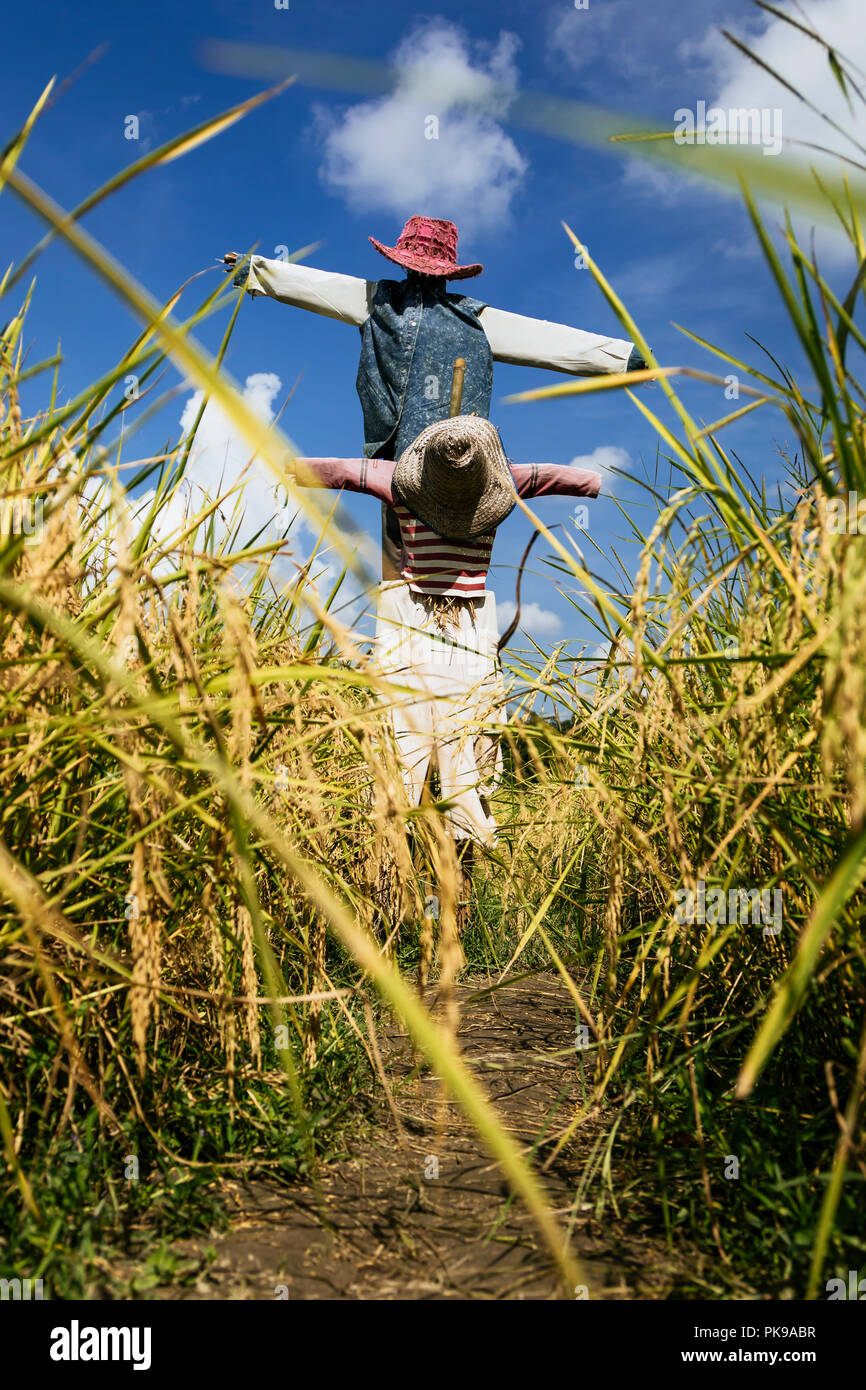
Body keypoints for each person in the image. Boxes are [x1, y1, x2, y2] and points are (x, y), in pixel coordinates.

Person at [223, 215, 645, 580]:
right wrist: (256, 271)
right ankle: (418, 651)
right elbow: (318, 287)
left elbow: (546, 340)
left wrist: (622, 359)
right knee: (418, 562)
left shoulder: (453, 313)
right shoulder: (395, 303)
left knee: (432, 561)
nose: (420, 275)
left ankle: (443, 649)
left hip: (444, 465)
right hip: (419, 463)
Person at [292, 414, 603, 846]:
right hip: (471, 624)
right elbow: (557, 478)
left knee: (400, 731)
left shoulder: (394, 481)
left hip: (411, 616)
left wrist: (290, 467)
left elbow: (341, 472)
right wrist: (594, 484)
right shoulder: (506, 481)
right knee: (465, 737)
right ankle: (460, 837)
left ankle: (389, 837)